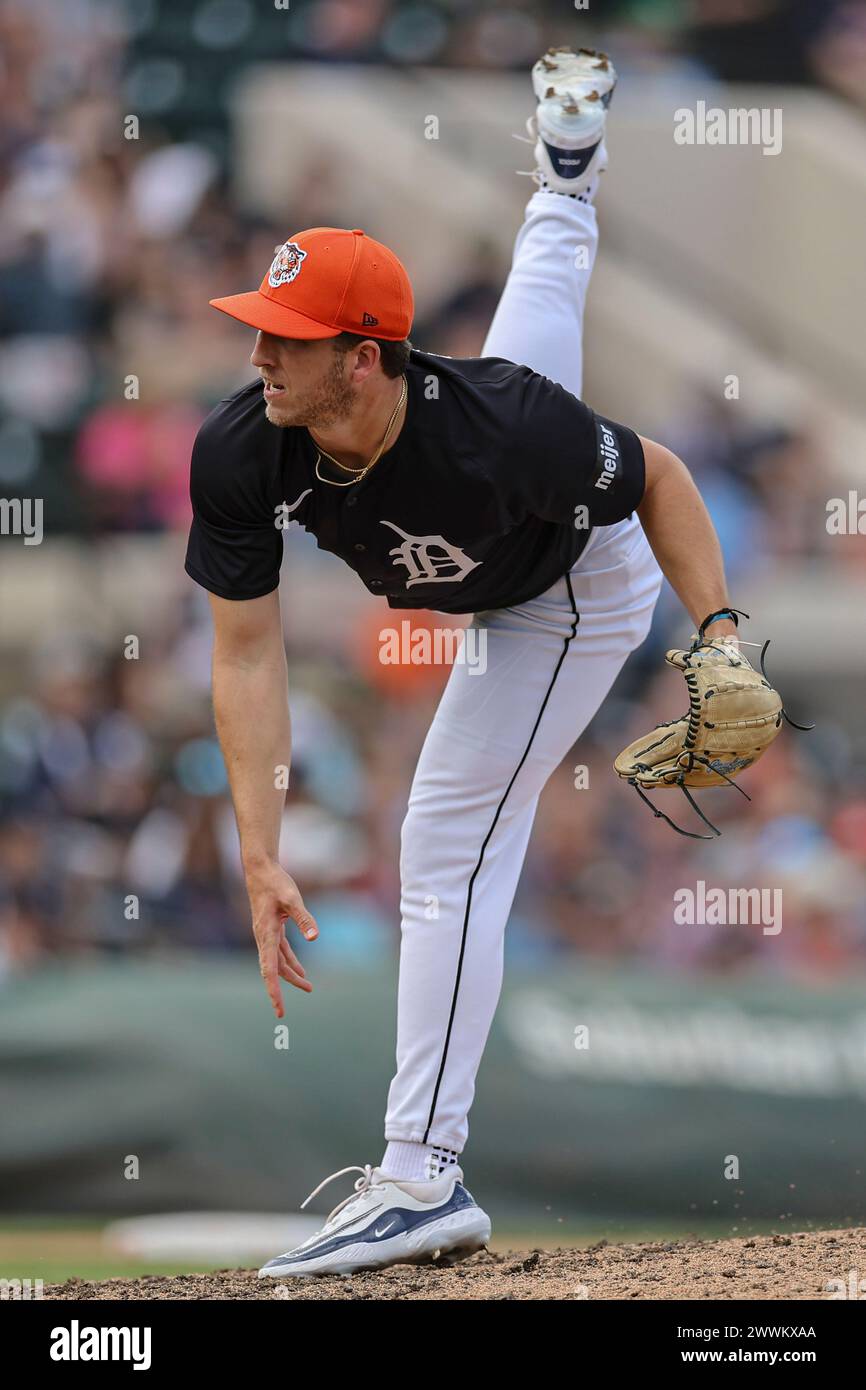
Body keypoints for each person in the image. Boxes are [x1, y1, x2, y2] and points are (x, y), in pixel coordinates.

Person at [185, 48, 738, 1277]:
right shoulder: (245, 448)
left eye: (289, 338)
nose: (260, 356)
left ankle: (420, 1176)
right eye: (259, 332)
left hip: (573, 588)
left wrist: (715, 640)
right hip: (498, 537)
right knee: (539, 313)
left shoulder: (495, 433)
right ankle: (567, 175)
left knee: (443, 839)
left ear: (362, 357)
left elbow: (659, 478)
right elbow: (244, 653)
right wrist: (261, 844)